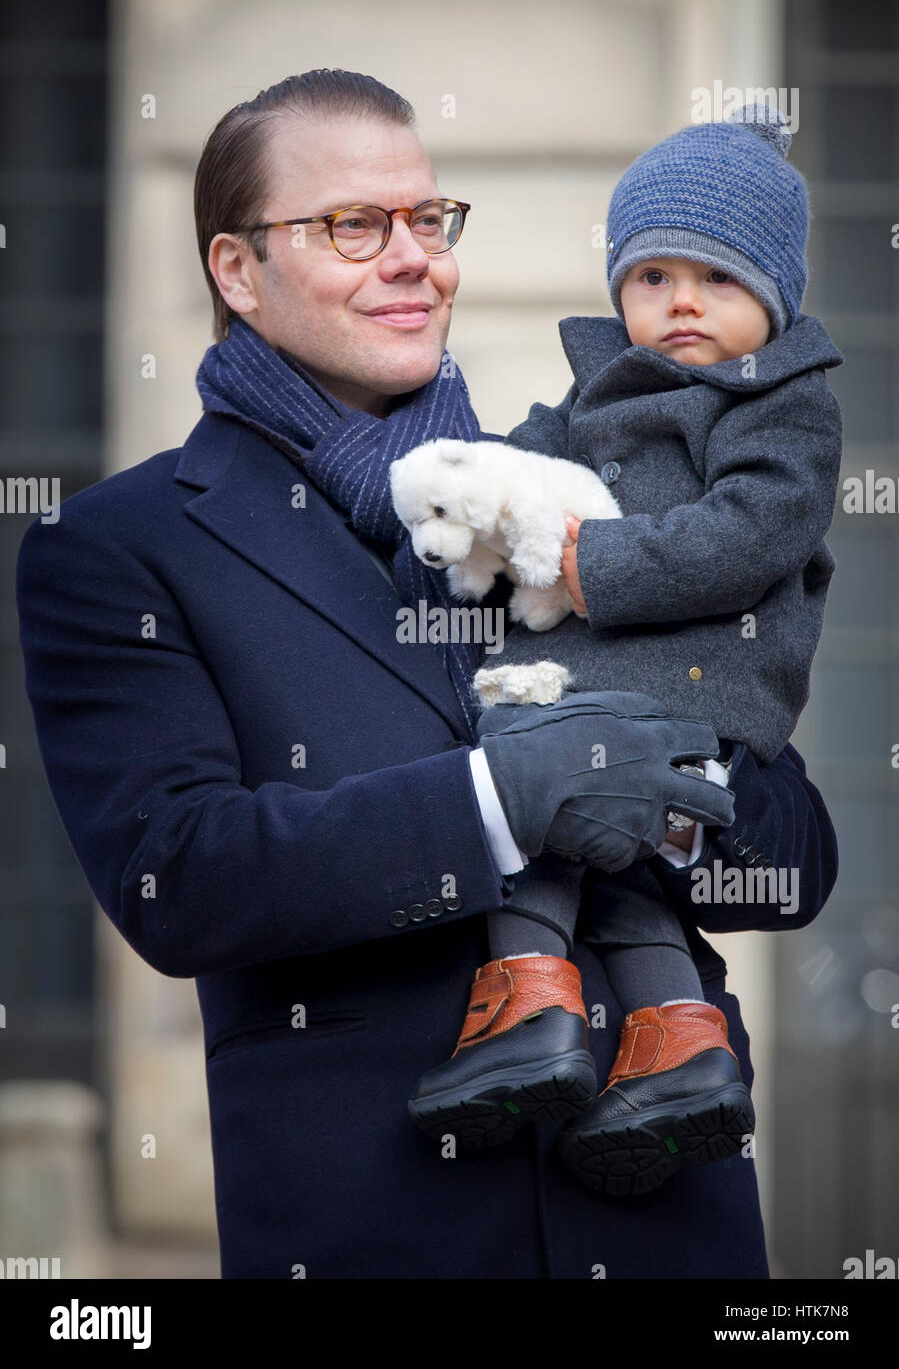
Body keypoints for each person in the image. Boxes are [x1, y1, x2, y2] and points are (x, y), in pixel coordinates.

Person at [16, 69, 837, 1279]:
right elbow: (177, 879)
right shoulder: (118, 547)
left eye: (426, 220)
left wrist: (659, 783)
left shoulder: (556, 492)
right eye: (353, 225)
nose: (412, 257)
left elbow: (794, 865)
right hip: (381, 1237)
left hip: (674, 1234)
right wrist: (496, 805)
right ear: (236, 272)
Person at [408, 104, 844, 1199]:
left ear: (773, 300)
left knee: (545, 791)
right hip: (623, 689)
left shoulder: (780, 404)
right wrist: (471, 492)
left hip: (704, 685)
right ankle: (676, 1044)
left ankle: (526, 999)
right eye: (650, 278)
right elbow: (516, 466)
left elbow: (749, 535)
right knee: (619, 865)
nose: (680, 302)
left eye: (715, 279)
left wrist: (589, 560)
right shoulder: (596, 389)